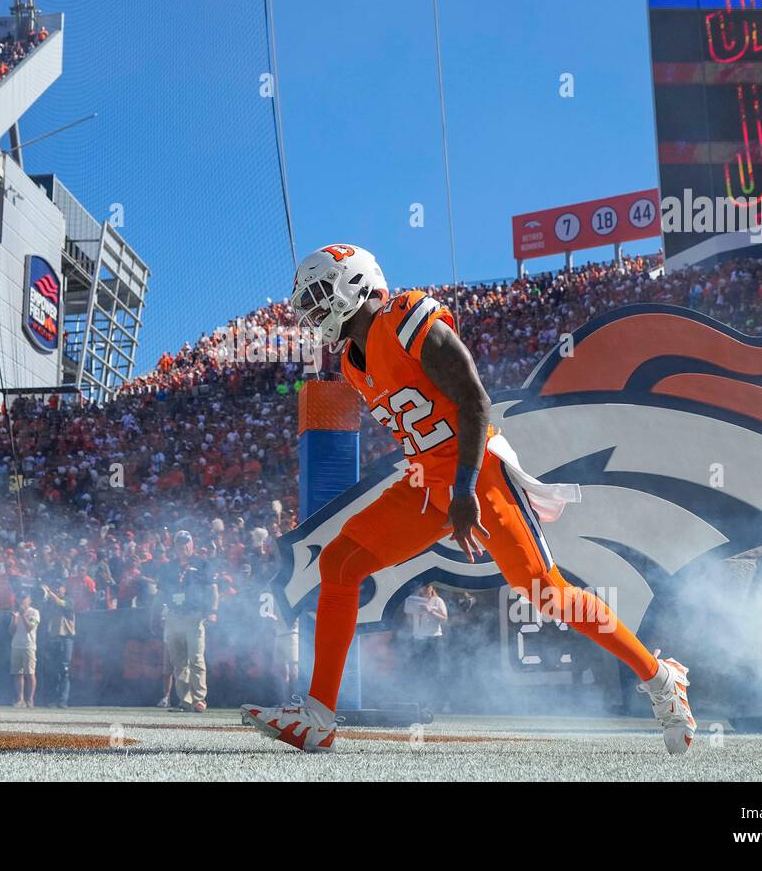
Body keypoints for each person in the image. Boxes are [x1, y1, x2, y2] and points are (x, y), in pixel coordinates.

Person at [242, 244, 694, 754]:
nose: (315, 311)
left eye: (322, 295)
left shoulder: (406, 316)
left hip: (477, 474)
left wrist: (462, 489)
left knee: (544, 590)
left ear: (357, 282)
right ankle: (319, 714)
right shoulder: (351, 362)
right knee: (340, 563)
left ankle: (660, 678)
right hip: (425, 479)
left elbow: (475, 401)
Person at [162, 534, 218, 712]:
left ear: (192, 544)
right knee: (179, 661)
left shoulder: (203, 565)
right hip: (174, 616)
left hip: (194, 616)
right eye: (179, 543)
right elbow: (161, 594)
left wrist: (213, 611)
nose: (183, 547)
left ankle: (199, 699)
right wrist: (157, 613)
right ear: (175, 546)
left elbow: (213, 590)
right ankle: (184, 701)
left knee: (195, 658)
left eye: (186, 543)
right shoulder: (168, 567)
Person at [403, 582, 448, 713]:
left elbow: (444, 619)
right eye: (423, 587)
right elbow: (408, 617)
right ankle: (420, 701)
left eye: (428, 587)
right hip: (418, 637)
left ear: (432, 587)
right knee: (419, 670)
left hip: (433, 638)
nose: (426, 589)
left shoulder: (437, 601)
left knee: (435, 671)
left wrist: (430, 611)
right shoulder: (414, 600)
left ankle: (437, 702)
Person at [41, 583, 75, 708]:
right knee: (53, 670)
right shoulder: (51, 604)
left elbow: (60, 603)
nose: (57, 588)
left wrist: (49, 592)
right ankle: (52, 700)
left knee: (64, 670)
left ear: (64, 589)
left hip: (66, 638)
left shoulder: (69, 601)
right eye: (56, 587)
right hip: (54, 638)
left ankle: (63, 700)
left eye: (59, 586)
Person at [9, 593, 40, 708]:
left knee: (30, 673)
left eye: (24, 598)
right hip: (16, 645)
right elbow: (11, 631)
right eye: (20, 598)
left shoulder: (35, 612)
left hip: (29, 646)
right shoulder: (16, 612)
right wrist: (15, 618)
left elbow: (30, 628)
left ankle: (30, 699)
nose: (21, 601)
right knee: (17, 673)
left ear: (29, 600)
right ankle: (20, 699)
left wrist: (22, 615)